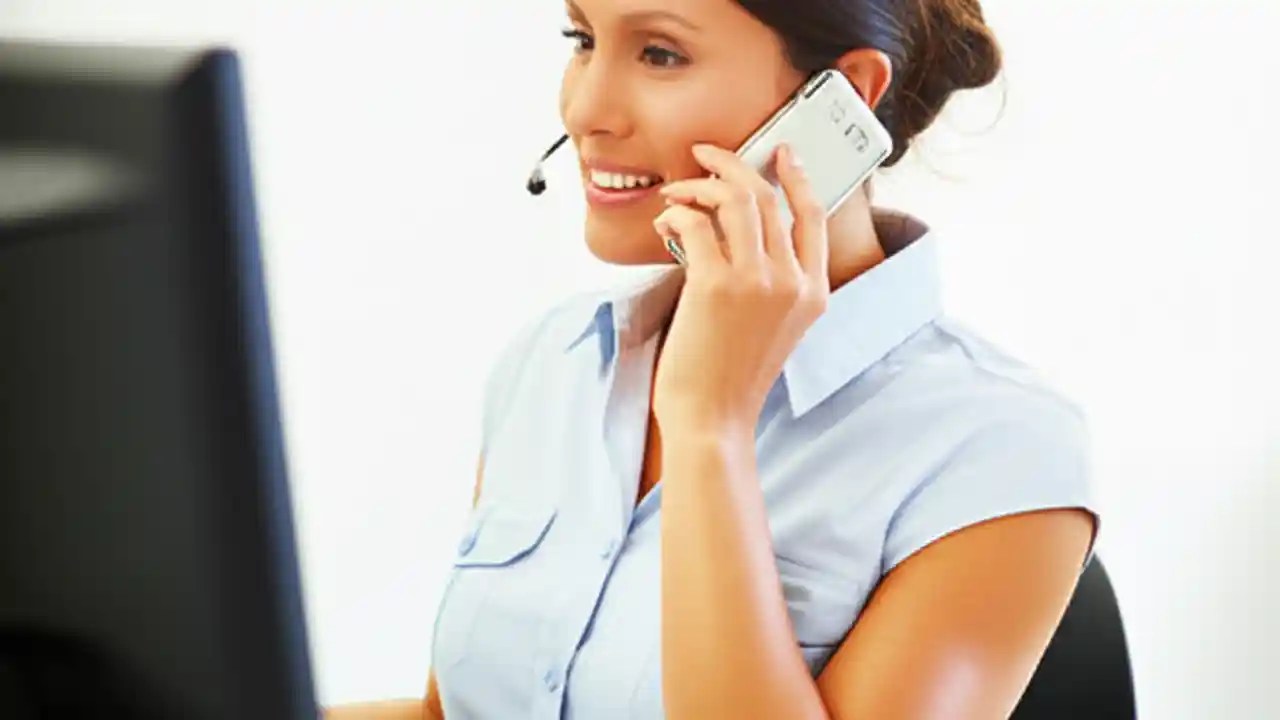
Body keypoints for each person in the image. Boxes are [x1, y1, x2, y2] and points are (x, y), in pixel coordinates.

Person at [327, 0, 1101, 717]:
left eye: (660, 54)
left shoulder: (998, 450)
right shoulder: (556, 359)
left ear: (843, 98)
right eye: (583, 41)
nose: (585, 111)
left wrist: (709, 427)